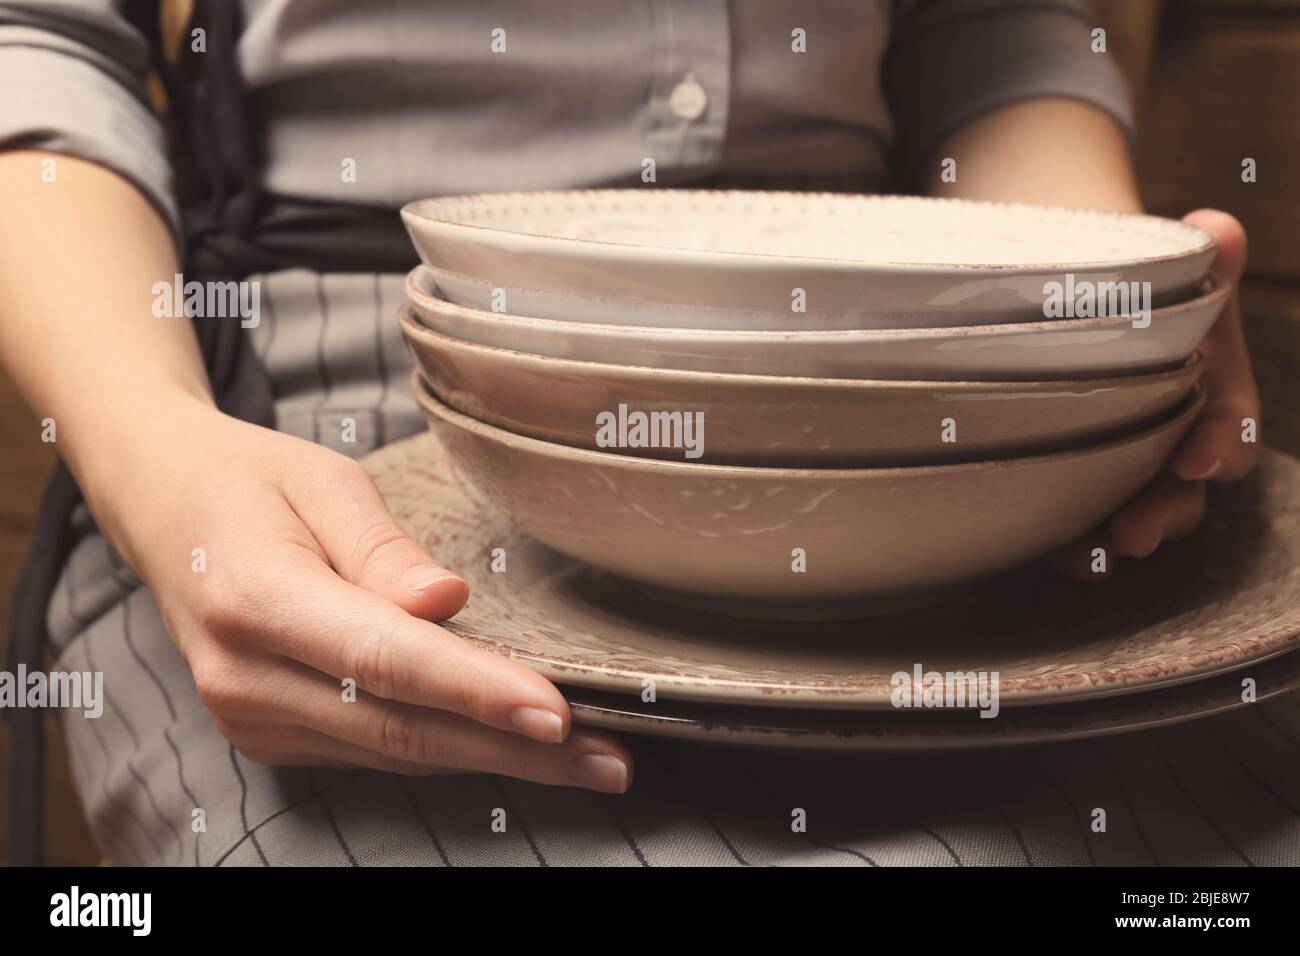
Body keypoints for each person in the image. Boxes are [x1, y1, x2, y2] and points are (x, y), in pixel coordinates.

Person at [0, 0, 1278, 867]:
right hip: (303, 406)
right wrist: (157, 457)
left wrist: (1097, 322)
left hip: (903, 338)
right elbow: (40, 36)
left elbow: (989, 31)